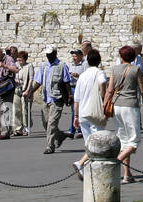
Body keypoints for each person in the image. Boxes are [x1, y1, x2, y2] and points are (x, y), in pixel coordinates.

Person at [109, 45, 143, 182]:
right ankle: (114, 163)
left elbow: (109, 90)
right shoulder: (136, 69)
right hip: (130, 106)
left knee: (123, 140)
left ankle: (127, 174)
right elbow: (142, 90)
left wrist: (105, 105)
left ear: (121, 57)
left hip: (117, 106)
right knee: (134, 141)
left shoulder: (114, 69)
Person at [70, 48, 107, 179]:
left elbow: (76, 99)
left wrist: (75, 116)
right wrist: (104, 97)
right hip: (94, 112)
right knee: (98, 143)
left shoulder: (83, 76)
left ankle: (89, 169)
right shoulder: (99, 72)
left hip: (83, 113)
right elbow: (103, 83)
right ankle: (81, 163)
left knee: (89, 143)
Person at [40, 46, 71, 154]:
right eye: (47, 54)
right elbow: (38, 81)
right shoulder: (43, 66)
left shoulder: (62, 66)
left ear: (55, 53)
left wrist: (69, 95)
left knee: (52, 123)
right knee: (46, 122)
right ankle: (60, 135)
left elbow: (67, 81)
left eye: (50, 54)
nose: (48, 56)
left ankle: (50, 146)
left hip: (57, 98)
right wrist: (29, 91)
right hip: (45, 98)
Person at [0, 46, 18, 139]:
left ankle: (5, 133)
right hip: (0, 88)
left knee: (6, 109)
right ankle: (4, 130)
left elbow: (15, 69)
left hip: (7, 87)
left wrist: (5, 66)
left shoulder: (8, 59)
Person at [67, 48, 89, 138]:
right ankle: (75, 129)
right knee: (74, 109)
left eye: (75, 56)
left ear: (81, 56)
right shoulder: (71, 65)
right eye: (73, 56)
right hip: (72, 87)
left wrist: (78, 75)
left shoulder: (85, 65)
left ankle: (77, 129)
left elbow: (87, 76)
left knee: (80, 109)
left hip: (81, 88)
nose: (74, 57)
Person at [14, 50, 34, 137]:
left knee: (25, 110)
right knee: (16, 109)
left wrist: (27, 90)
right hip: (17, 89)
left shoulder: (29, 66)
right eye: (18, 59)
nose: (19, 60)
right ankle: (18, 128)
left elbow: (31, 79)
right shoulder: (16, 65)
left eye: (20, 59)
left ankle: (27, 127)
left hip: (25, 89)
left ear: (24, 58)